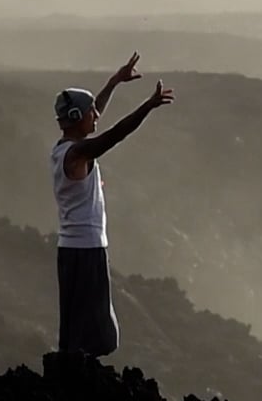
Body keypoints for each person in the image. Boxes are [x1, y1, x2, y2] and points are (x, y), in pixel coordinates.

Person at [50, 53, 173, 359]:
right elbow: (114, 136)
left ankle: (70, 379)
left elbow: (97, 114)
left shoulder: (65, 149)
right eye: (90, 112)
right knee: (100, 337)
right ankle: (75, 383)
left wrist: (115, 81)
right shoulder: (78, 154)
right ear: (79, 118)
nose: (97, 114)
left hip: (71, 250)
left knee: (77, 332)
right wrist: (147, 106)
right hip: (87, 250)